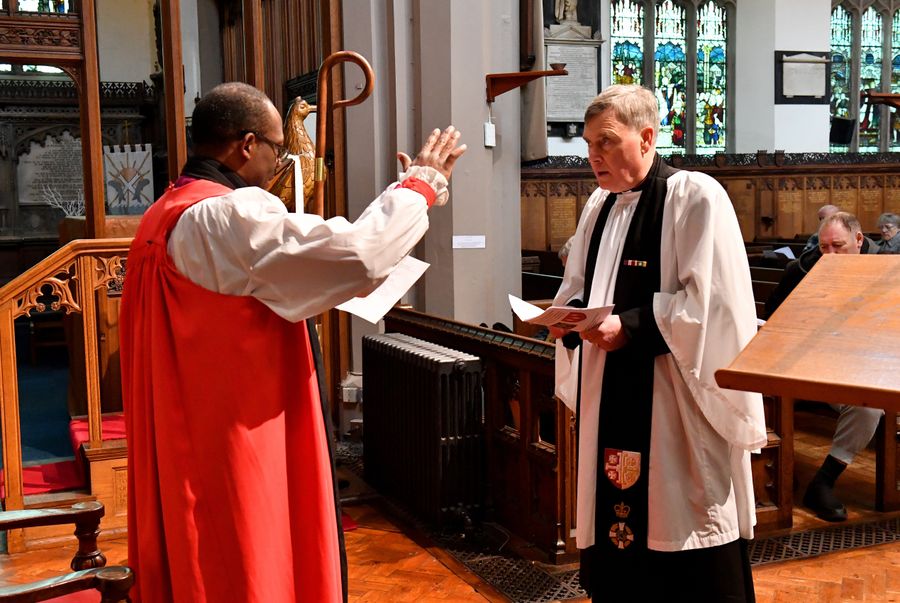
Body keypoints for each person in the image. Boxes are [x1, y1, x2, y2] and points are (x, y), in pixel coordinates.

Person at [119, 82, 466, 602]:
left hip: (184, 420)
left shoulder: (163, 213)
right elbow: (358, 256)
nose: (280, 161)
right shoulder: (224, 216)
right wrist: (421, 185)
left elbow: (312, 258)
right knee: (243, 556)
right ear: (247, 144)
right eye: (278, 148)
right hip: (235, 430)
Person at [552, 84, 765, 601]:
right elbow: (578, 285)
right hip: (611, 394)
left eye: (606, 142)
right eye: (588, 145)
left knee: (683, 516)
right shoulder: (598, 206)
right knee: (617, 532)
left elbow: (714, 304)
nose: (594, 156)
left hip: (675, 396)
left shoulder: (695, 195)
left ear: (646, 137)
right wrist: (566, 319)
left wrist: (629, 327)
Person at [764, 212, 884, 522]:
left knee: (869, 404)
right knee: (868, 406)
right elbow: (773, 318)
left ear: (859, 241)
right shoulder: (800, 269)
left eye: (838, 246)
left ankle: (823, 480)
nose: (828, 255)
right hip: (802, 363)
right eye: (823, 246)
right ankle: (812, 481)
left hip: (866, 363)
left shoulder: (886, 269)